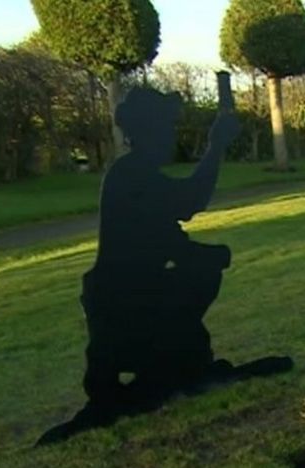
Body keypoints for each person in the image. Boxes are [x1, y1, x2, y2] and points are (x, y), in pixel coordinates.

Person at [81, 87, 240, 405]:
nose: (171, 137)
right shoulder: (130, 176)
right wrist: (216, 146)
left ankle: (181, 359)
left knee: (207, 267)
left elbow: (169, 239)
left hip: (131, 289)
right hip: (123, 299)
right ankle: (162, 356)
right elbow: (188, 200)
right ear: (148, 132)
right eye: (166, 129)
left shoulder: (134, 174)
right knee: (204, 272)